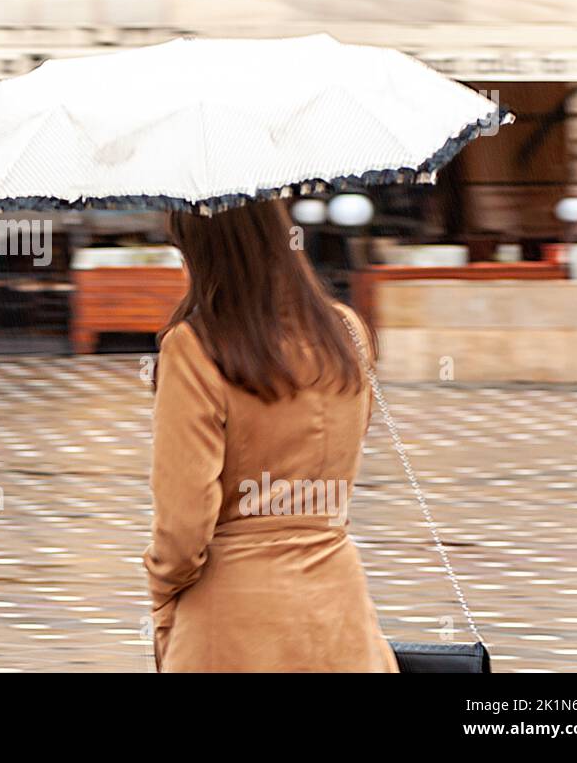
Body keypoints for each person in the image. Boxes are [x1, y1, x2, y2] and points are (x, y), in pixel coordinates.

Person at [145, 200, 396, 672]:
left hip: (232, 619)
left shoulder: (196, 347)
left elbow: (182, 525)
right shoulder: (346, 331)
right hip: (338, 604)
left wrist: (162, 591)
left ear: (203, 252)